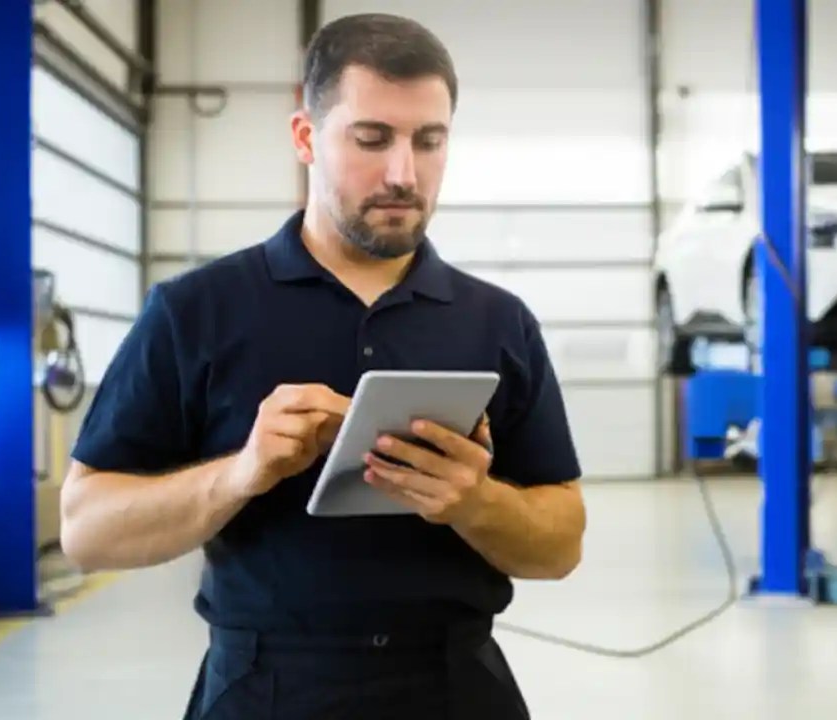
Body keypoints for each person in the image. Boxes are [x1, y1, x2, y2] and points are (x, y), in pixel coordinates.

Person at [59, 13, 586, 720]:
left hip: (456, 686)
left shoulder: (497, 322)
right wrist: (240, 473)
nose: (404, 173)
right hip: (266, 688)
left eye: (428, 141)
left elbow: (561, 545)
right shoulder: (196, 312)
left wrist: (475, 501)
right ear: (306, 136)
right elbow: (87, 530)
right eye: (372, 139)